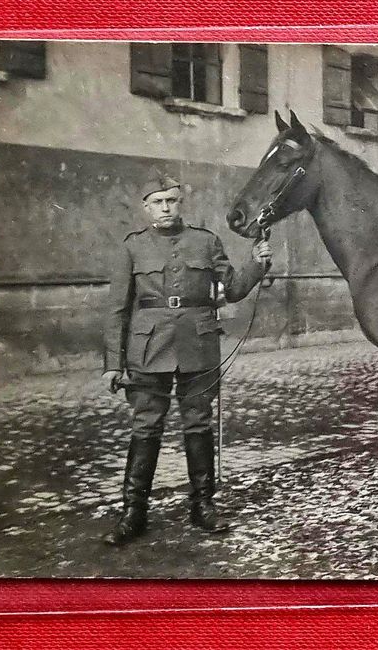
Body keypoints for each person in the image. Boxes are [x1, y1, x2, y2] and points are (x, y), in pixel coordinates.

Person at [101, 171, 272, 546]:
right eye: (158, 202)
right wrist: (113, 363)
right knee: (146, 427)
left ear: (180, 203)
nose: (166, 207)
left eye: (172, 200)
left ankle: (202, 505)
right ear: (146, 208)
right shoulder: (132, 247)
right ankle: (134, 512)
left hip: (198, 344)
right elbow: (117, 309)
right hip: (147, 349)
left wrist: (257, 264)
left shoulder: (206, 242)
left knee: (198, 424)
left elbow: (234, 289)